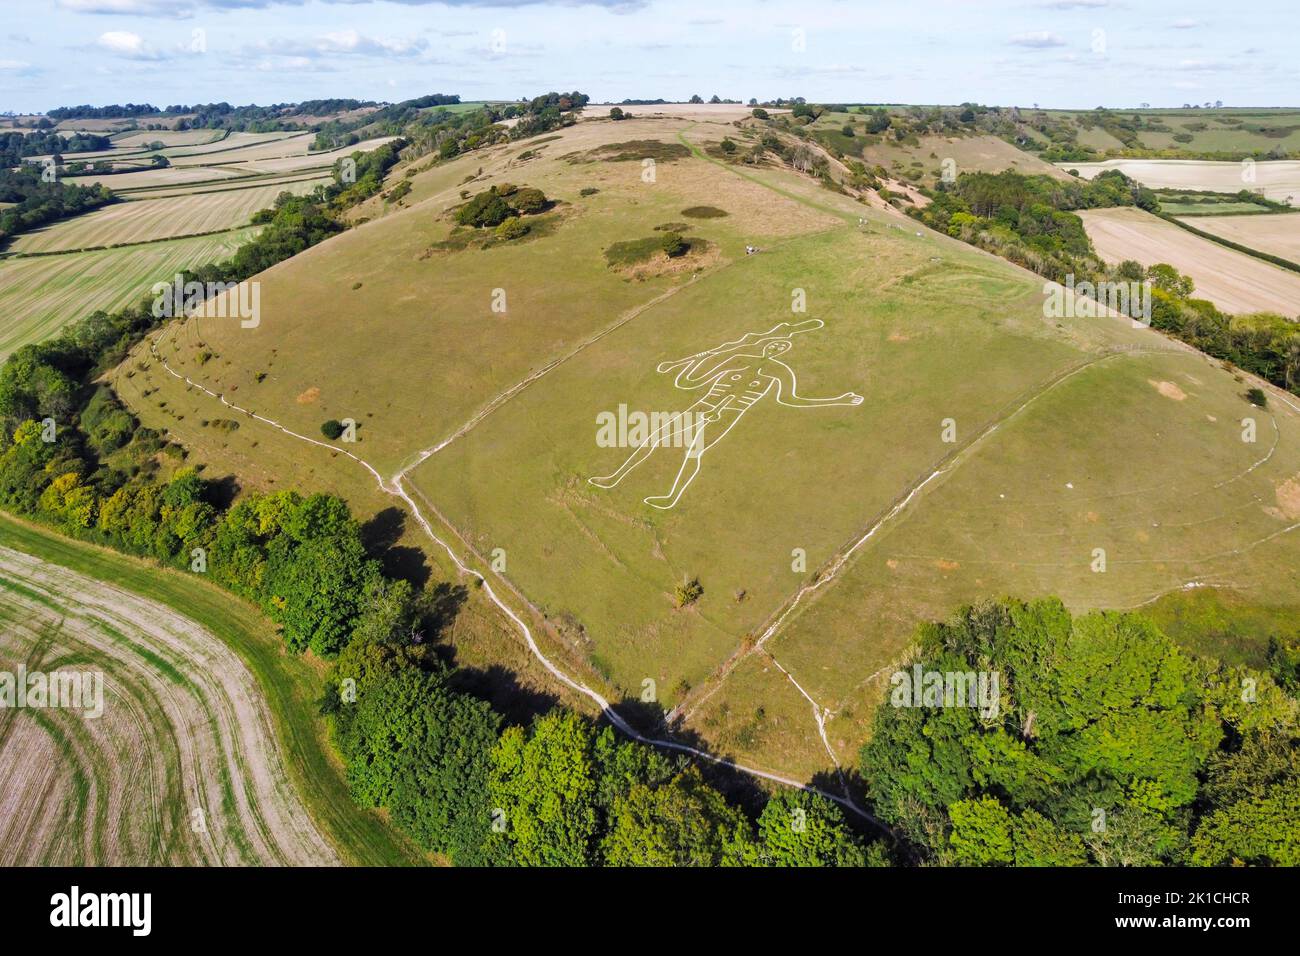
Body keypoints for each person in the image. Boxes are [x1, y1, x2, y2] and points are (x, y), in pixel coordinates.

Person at [589, 319, 863, 509]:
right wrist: (685, 365)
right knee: (655, 437)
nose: (776, 348)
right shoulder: (738, 359)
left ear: (783, 351)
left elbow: (792, 399)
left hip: (726, 416)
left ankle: (670, 496)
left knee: (693, 453)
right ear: (767, 344)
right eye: (774, 344)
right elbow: (691, 384)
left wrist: (838, 399)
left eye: (781, 348)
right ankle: (615, 477)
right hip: (701, 408)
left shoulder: (779, 372)